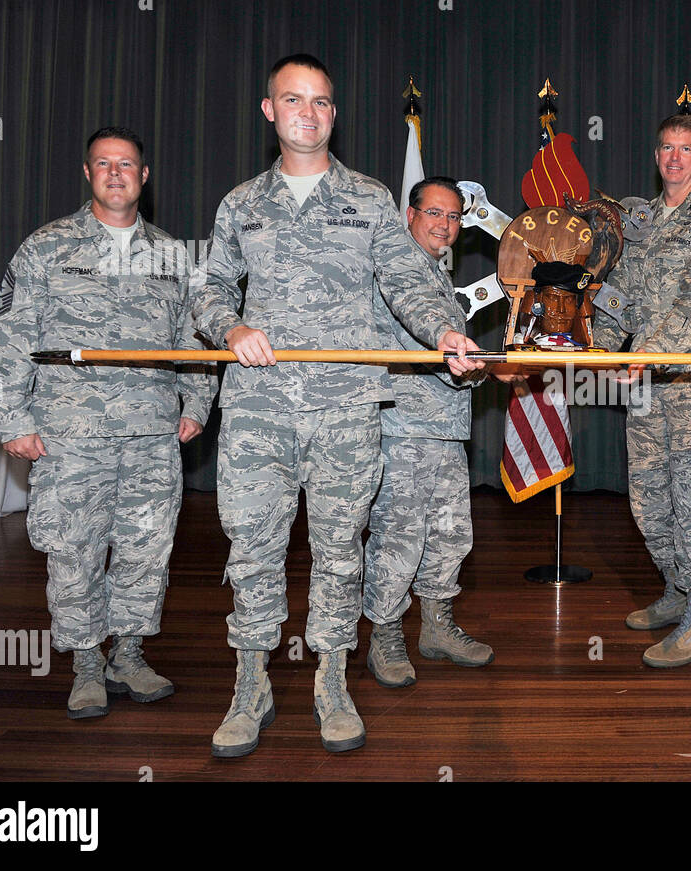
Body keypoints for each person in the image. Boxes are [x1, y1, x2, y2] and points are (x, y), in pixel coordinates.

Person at [191, 54, 483, 757]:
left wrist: (441, 329)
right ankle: (251, 681)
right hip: (259, 409)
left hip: (347, 407)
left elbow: (407, 278)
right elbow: (206, 291)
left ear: (333, 113)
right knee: (254, 549)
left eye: (321, 102)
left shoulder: (371, 199)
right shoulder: (241, 204)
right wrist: (229, 328)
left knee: (339, 551)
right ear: (270, 111)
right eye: (293, 100)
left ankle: (331, 679)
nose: (309, 113)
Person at [0, 126, 214, 719]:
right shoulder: (46, 248)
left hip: (152, 433)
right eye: (103, 164)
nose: (115, 173)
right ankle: (85, 663)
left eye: (127, 164)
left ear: (144, 176)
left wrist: (196, 404)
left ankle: (128, 654)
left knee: (146, 548)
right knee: (74, 550)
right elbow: (7, 339)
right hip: (68, 434)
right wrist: (12, 420)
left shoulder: (173, 257)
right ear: (87, 174)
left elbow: (197, 342)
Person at [592, 112, 691, 668]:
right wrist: (600, 344)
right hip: (645, 384)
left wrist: (642, 357)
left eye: (687, 149)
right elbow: (620, 288)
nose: (675, 158)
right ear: (657, 157)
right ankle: (677, 590)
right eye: (667, 149)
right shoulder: (642, 219)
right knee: (649, 502)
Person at [364, 176, 494, 688]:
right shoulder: (399, 269)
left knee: (449, 532)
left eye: (454, 216)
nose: (445, 224)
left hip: (442, 425)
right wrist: (480, 362)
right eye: (435, 213)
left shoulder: (435, 271)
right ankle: (386, 634)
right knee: (398, 536)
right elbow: (427, 329)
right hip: (403, 426)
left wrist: (485, 364)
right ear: (409, 216)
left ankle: (436, 625)